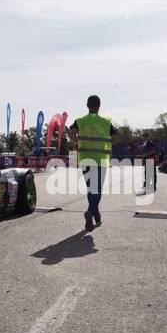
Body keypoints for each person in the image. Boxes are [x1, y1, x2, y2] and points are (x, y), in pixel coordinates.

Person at [69, 95, 116, 231]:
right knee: (97, 190)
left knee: (91, 189)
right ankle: (90, 212)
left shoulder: (80, 121)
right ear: (99, 106)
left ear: (87, 105)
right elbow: (115, 138)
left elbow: (72, 134)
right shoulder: (106, 122)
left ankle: (97, 217)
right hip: (101, 160)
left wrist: (77, 141)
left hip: (85, 159)